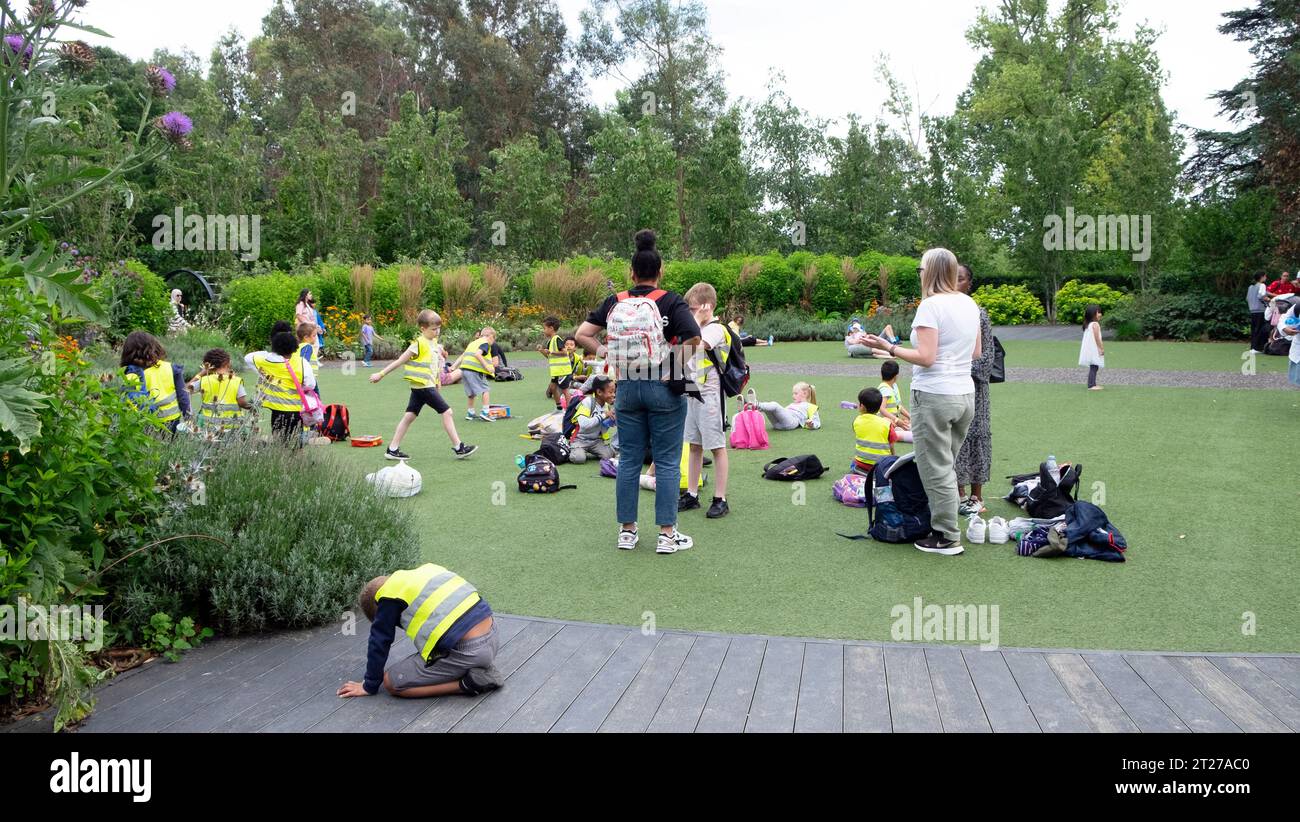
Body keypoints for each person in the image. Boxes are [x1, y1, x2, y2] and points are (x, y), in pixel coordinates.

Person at [575, 229, 701, 554]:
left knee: (629, 459)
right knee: (669, 461)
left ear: (631, 273)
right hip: (663, 388)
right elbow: (693, 338)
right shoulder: (671, 301)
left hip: (627, 387)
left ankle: (627, 532)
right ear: (660, 271)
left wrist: (607, 354)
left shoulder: (616, 301)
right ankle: (667, 535)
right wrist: (674, 368)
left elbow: (582, 334)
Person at [860, 247, 980, 557]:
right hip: (965, 395)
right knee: (945, 465)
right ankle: (939, 522)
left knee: (935, 468)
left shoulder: (930, 306)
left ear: (931, 272)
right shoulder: (969, 303)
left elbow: (926, 357)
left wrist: (889, 347)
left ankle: (946, 536)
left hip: (935, 396)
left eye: (921, 269)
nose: (920, 274)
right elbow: (976, 353)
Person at [337, 564, 502, 699]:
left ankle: (468, 684)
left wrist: (369, 684)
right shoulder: (427, 571)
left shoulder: (387, 597)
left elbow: (379, 642)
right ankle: (477, 668)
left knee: (392, 682)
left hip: (468, 651)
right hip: (493, 635)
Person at [369, 309, 477, 461]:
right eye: (433, 329)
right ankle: (459, 447)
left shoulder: (433, 343)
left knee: (409, 416)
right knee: (447, 412)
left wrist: (438, 382)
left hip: (424, 387)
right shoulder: (417, 344)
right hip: (423, 388)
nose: (437, 332)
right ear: (423, 328)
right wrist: (380, 374)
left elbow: (434, 366)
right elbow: (400, 361)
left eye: (439, 328)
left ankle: (392, 449)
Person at [681, 282, 730, 519]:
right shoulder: (697, 326)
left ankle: (721, 498)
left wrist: (698, 320)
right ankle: (691, 494)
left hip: (710, 393)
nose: (690, 313)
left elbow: (701, 344)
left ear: (706, 307)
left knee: (717, 446)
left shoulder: (716, 329)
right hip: (693, 390)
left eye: (693, 308)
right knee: (694, 445)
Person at [955, 264, 993, 515]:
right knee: (953, 439)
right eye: (951, 278)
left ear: (969, 283)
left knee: (976, 435)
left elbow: (986, 358)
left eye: (960, 279)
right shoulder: (943, 311)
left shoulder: (979, 314)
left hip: (974, 388)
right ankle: (957, 494)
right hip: (950, 387)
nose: (955, 283)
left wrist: (956, 365)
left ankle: (976, 496)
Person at [246, 331, 315, 444]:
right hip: (296, 410)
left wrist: (263, 368)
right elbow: (311, 384)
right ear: (294, 347)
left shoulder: (266, 361)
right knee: (296, 443)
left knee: (279, 440)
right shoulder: (302, 363)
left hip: (276, 410)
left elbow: (248, 357)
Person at [120, 330, 191, 433]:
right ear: (154, 347)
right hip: (173, 422)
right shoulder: (171, 368)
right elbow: (183, 397)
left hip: (147, 424)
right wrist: (189, 419)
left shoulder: (132, 373)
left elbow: (128, 401)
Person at [187, 348, 251, 431]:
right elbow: (242, 403)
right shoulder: (236, 380)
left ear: (209, 365)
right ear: (226, 363)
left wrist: (202, 373)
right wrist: (252, 406)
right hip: (232, 427)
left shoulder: (204, 380)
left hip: (209, 426)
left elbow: (187, 388)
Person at [568, 375, 618, 464]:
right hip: (580, 440)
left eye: (614, 392)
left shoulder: (606, 406)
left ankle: (587, 450)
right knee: (579, 459)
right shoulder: (588, 402)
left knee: (609, 455)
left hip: (595, 441)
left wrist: (611, 422)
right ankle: (573, 449)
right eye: (610, 392)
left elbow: (602, 428)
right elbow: (584, 424)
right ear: (599, 392)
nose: (613, 395)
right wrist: (603, 416)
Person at [453, 326, 498, 422]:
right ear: (490, 336)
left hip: (464, 370)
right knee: (485, 389)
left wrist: (453, 366)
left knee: (471, 393)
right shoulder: (485, 343)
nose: (493, 342)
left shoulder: (472, 343)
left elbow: (463, 355)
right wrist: (487, 367)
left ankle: (470, 413)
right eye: (494, 339)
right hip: (474, 370)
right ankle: (485, 412)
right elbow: (478, 354)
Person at [851, 387, 895, 477]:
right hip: (882, 466)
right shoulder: (886, 424)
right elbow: (891, 446)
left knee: (853, 462)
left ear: (862, 406)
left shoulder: (856, 421)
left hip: (861, 465)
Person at [538, 316, 572, 411]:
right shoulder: (550, 341)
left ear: (551, 328)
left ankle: (569, 410)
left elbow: (565, 352)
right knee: (553, 388)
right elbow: (549, 357)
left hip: (563, 371)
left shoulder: (557, 339)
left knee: (565, 390)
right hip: (556, 372)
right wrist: (542, 351)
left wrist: (551, 352)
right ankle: (559, 408)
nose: (543, 331)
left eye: (544, 328)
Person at [755, 382, 820, 430]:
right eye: (793, 393)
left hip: (792, 423)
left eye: (796, 393)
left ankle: (756, 404)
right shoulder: (792, 405)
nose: (793, 396)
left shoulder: (810, 406)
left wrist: (811, 425)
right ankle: (752, 406)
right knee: (770, 409)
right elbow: (783, 412)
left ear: (804, 394)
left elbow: (817, 422)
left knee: (775, 405)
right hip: (777, 425)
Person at [877, 360, 912, 442]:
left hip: (895, 422)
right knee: (901, 432)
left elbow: (898, 406)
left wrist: (910, 416)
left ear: (881, 374)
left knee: (912, 426)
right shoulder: (884, 389)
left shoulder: (894, 386)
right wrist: (896, 420)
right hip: (886, 423)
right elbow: (882, 409)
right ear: (896, 376)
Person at [1080, 304, 1105, 391]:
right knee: (1094, 366)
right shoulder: (1095, 324)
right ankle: (1091, 385)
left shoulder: (1089, 324)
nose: (1100, 314)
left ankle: (1092, 384)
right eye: (1098, 312)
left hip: (1089, 349)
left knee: (1094, 366)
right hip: (1094, 349)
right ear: (1093, 314)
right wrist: (1101, 348)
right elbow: (1097, 338)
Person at [1247, 273, 1270, 353]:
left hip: (1252, 311)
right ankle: (1258, 348)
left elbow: (1247, 298)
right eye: (1265, 276)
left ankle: (1253, 347)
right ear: (1262, 277)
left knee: (1254, 329)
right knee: (1261, 329)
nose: (1266, 277)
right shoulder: (1262, 285)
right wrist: (1269, 300)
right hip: (1261, 310)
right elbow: (1261, 296)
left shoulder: (1250, 287)